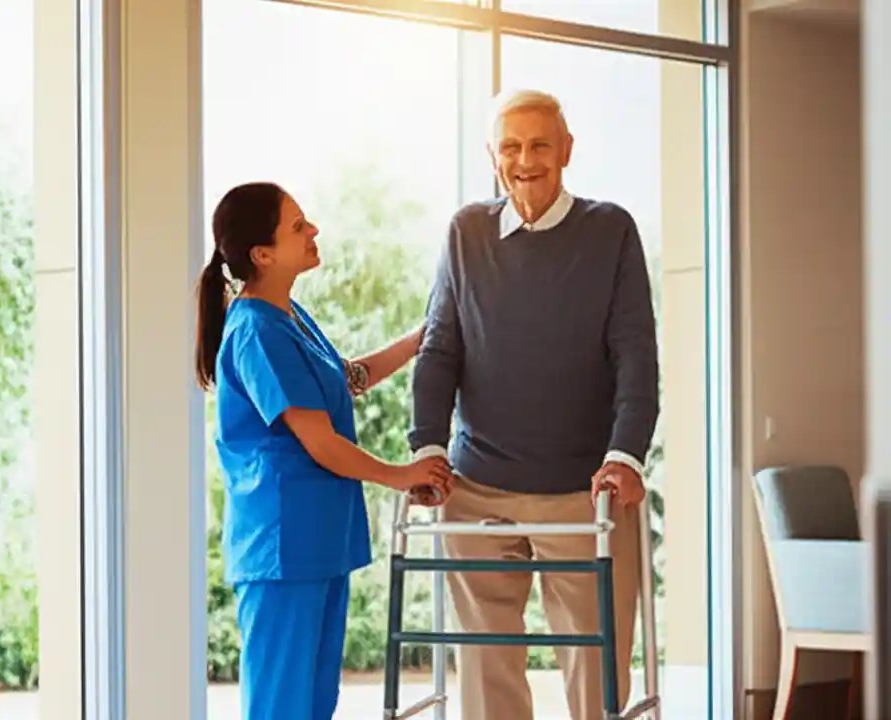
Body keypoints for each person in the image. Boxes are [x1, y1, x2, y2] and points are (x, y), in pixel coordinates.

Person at [409, 88, 659, 720]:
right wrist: (428, 448)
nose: (525, 161)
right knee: (486, 664)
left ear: (566, 150)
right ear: (492, 156)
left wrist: (625, 456)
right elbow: (439, 348)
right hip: (477, 487)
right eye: (511, 147)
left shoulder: (610, 230)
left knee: (596, 669)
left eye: (540, 145)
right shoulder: (466, 231)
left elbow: (635, 354)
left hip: (584, 489)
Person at [196, 181, 455, 720]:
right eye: (297, 226)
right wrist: (402, 474)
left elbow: (347, 378)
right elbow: (320, 442)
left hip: (316, 542)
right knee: (281, 707)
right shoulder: (256, 331)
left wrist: (421, 338)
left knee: (314, 704)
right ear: (262, 254)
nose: (313, 230)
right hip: (282, 548)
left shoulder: (288, 317)